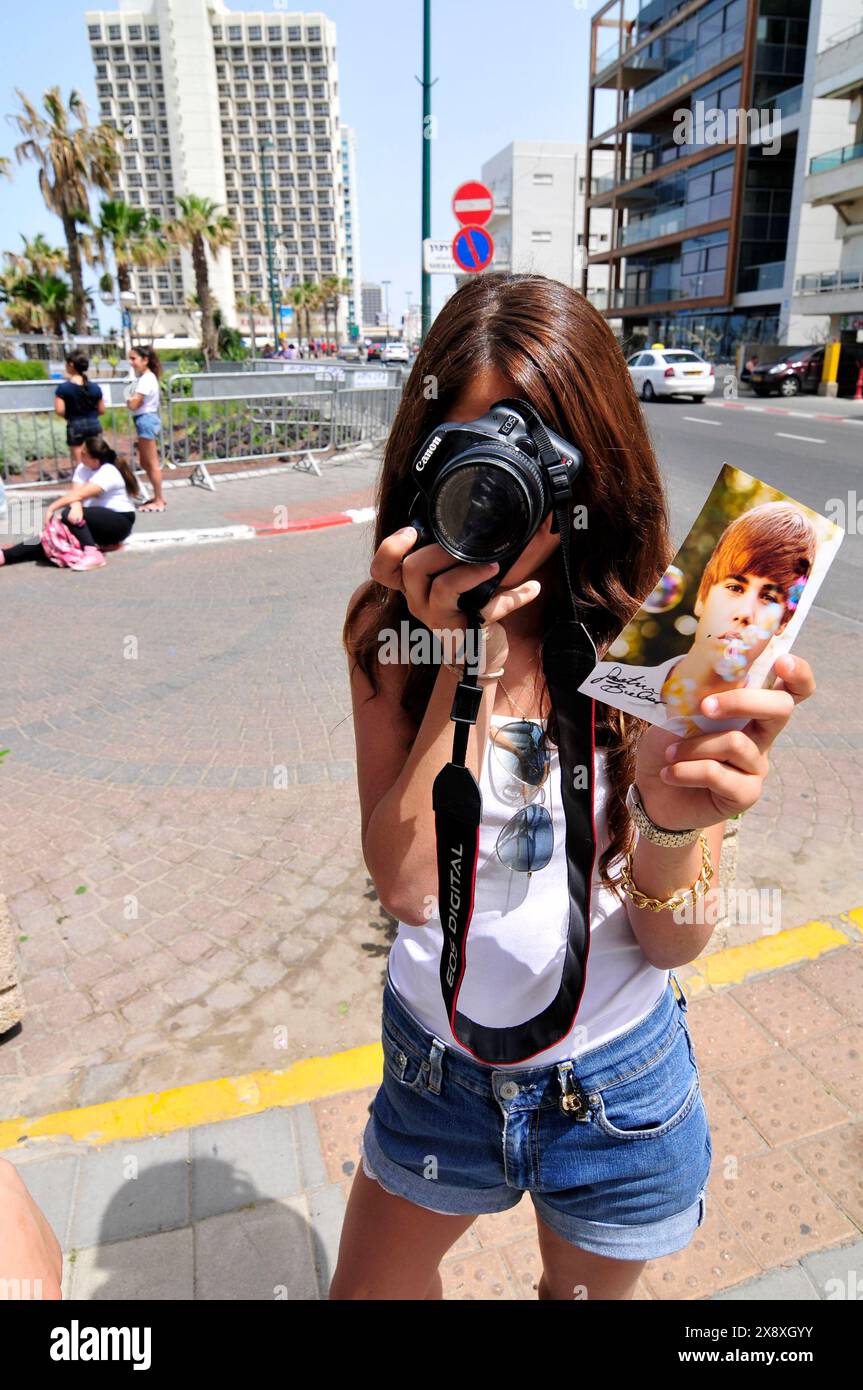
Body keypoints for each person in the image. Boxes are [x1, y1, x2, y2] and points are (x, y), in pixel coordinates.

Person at [333, 272, 815, 1301]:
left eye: (531, 454)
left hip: (614, 1087)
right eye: (470, 452)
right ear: (422, 469)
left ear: (588, 469)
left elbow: (677, 940)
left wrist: (666, 818)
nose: (496, 490)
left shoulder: (667, 633)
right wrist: (466, 664)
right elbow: (411, 886)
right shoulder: (388, 633)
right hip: (434, 1073)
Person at [585, 502, 818, 736]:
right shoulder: (609, 682)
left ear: (784, 622)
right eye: (735, 587)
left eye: (768, 597)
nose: (745, 613)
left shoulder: (747, 732)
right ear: (703, 596)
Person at [0, 434, 138, 568]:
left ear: (95, 460)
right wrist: (76, 507)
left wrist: (52, 508)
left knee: (67, 514)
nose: (80, 454)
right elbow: (75, 495)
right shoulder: (82, 468)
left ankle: (92, 554)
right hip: (92, 524)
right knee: (49, 540)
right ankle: (6, 556)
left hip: (119, 522)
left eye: (84, 453)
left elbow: (79, 494)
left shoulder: (108, 472)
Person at [53, 352, 106, 482]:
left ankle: (82, 489)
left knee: (80, 463)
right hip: (94, 423)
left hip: (75, 423)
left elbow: (59, 410)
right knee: (96, 458)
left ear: (71, 365)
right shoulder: (95, 387)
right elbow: (102, 410)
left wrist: (70, 415)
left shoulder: (64, 388)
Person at [126, 344, 165, 513]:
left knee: (152, 463)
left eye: (134, 358)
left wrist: (128, 399)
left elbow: (134, 404)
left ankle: (159, 499)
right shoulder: (145, 378)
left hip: (146, 419)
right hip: (144, 419)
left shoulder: (146, 379)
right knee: (145, 461)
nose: (131, 362)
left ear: (145, 360)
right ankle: (157, 497)